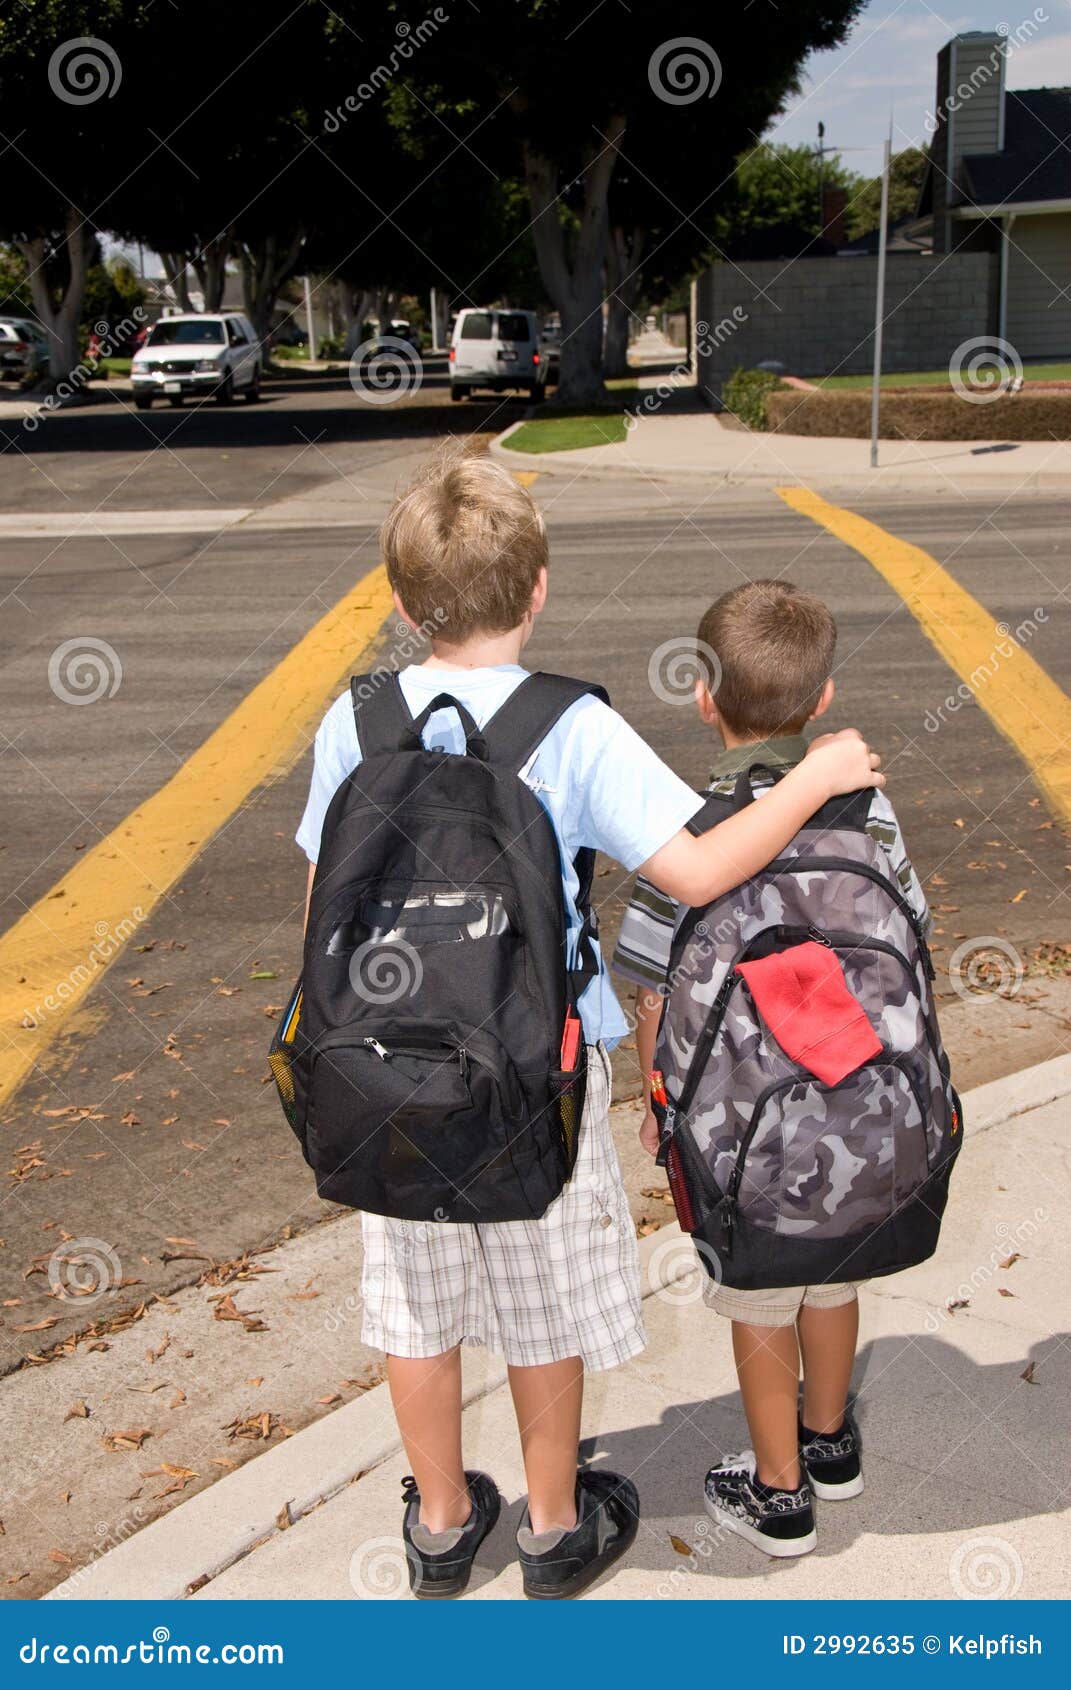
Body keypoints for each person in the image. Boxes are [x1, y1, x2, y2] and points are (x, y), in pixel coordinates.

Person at [295, 457, 882, 1597]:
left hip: (384, 1075)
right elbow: (699, 867)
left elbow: (322, 907)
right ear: (539, 589)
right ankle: (555, 1526)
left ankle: (440, 1527)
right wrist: (811, 782)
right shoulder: (568, 724)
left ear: (403, 605)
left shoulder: (352, 720)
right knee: (541, 1301)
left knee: (413, 1307)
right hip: (534, 1072)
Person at [613, 579, 928, 1558]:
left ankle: (779, 1491)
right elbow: (909, 930)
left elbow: (651, 988)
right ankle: (829, 1441)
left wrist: (659, 1101)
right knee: (832, 1276)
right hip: (856, 1101)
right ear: (822, 697)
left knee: (758, 1298)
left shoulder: (686, 834)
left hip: (738, 1123)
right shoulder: (869, 811)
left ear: (702, 695)